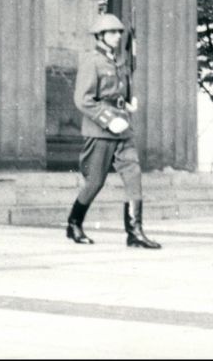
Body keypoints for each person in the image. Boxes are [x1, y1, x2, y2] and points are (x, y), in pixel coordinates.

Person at [66, 13, 160, 249]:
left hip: (123, 128)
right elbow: (83, 100)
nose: (118, 36)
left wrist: (126, 104)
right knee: (95, 181)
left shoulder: (118, 62)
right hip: (101, 129)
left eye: (119, 32)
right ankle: (74, 223)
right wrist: (108, 118)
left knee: (133, 174)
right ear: (100, 36)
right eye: (113, 32)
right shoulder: (92, 61)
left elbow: (117, 92)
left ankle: (135, 232)